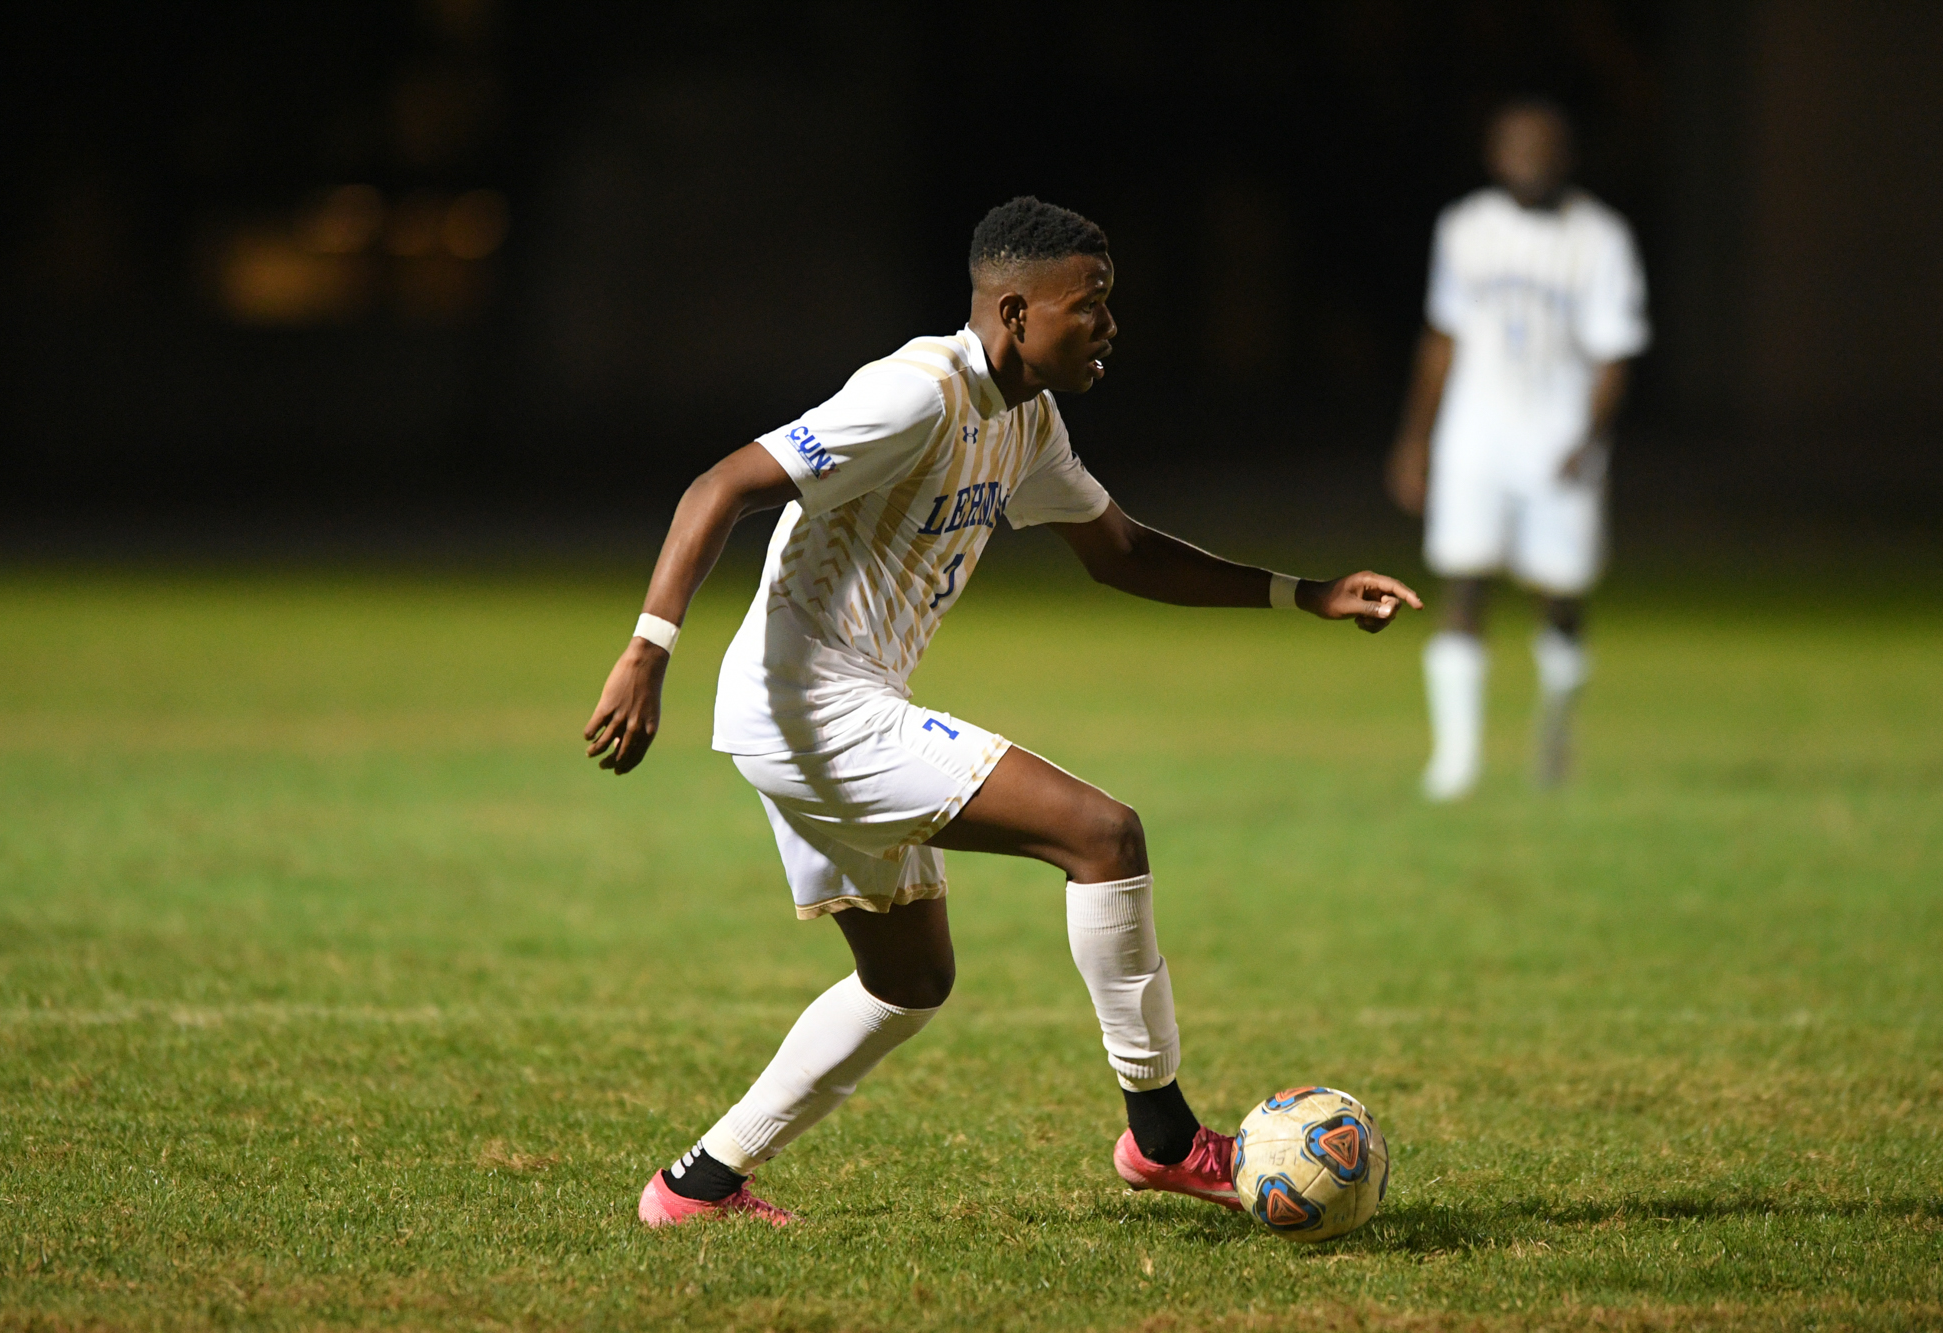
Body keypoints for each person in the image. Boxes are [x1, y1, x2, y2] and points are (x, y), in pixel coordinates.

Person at [586, 196, 1422, 1227]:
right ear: (1016, 311)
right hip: (812, 709)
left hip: (812, 716)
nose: (1109, 324)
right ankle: (1162, 1139)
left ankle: (694, 1187)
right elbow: (721, 484)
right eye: (1091, 305)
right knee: (1102, 833)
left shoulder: (1026, 420)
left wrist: (1303, 591)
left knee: (908, 982)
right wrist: (645, 650)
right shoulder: (912, 395)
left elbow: (1118, 550)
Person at [1385, 99, 1649, 800]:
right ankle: (1456, 760)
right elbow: (1441, 336)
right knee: (1464, 580)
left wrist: (1587, 439)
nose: (1529, 161)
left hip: (1558, 437)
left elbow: (1614, 353)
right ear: (1495, 154)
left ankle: (1556, 730)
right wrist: (1417, 439)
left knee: (1560, 595)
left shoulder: (1600, 237)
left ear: (1567, 155)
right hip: (1476, 435)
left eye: (1543, 148)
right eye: (1516, 147)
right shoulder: (1466, 228)